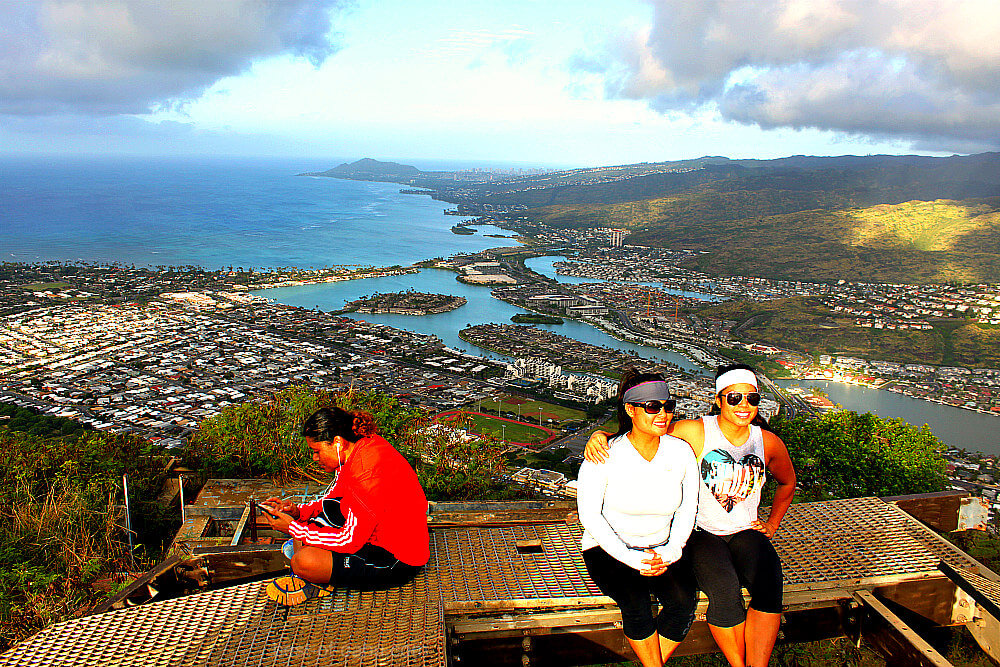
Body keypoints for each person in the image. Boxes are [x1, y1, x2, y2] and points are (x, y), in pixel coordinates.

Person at [585, 364, 796, 667]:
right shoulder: (695, 431)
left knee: (769, 584)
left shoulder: (766, 441)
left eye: (752, 399)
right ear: (718, 399)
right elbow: (643, 431)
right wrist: (601, 434)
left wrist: (773, 522)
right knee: (723, 591)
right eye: (734, 398)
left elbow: (788, 481)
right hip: (701, 532)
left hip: (742, 530)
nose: (744, 405)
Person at [577, 370, 700, 667]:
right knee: (636, 604)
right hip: (608, 550)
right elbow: (590, 516)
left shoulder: (681, 452)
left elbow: (687, 508)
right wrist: (632, 558)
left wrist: (670, 552)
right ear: (630, 410)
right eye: (652, 407)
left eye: (667, 406)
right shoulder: (605, 456)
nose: (663, 414)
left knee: (684, 602)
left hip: (660, 547)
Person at [261, 406, 429, 605]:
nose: (314, 458)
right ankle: (314, 553)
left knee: (302, 561)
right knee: (309, 527)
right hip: (380, 531)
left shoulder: (366, 474)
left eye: (317, 451)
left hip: (398, 559)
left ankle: (318, 579)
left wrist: (292, 527)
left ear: (337, 442)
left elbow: (349, 541)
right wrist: (299, 512)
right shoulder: (360, 447)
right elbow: (334, 495)